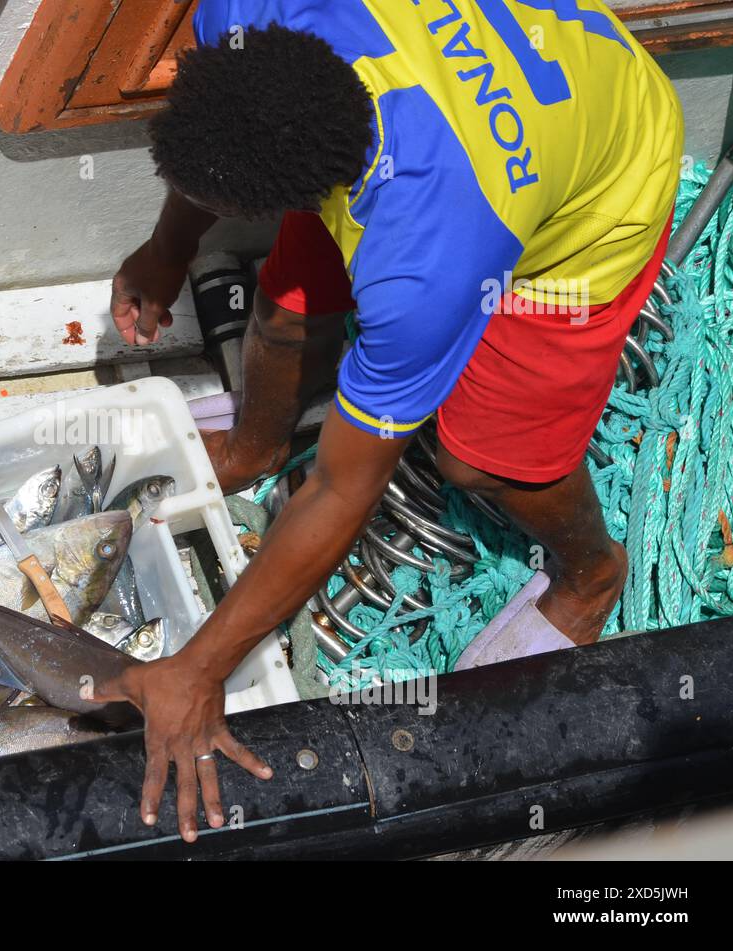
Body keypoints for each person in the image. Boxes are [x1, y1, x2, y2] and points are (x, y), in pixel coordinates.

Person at [98, 0, 683, 843]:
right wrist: (169, 248)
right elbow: (212, 153)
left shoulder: (422, 270)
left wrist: (197, 669)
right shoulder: (248, 14)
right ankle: (257, 443)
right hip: (458, 111)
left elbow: (342, 485)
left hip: (592, 198)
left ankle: (592, 571)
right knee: (291, 304)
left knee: (480, 456)